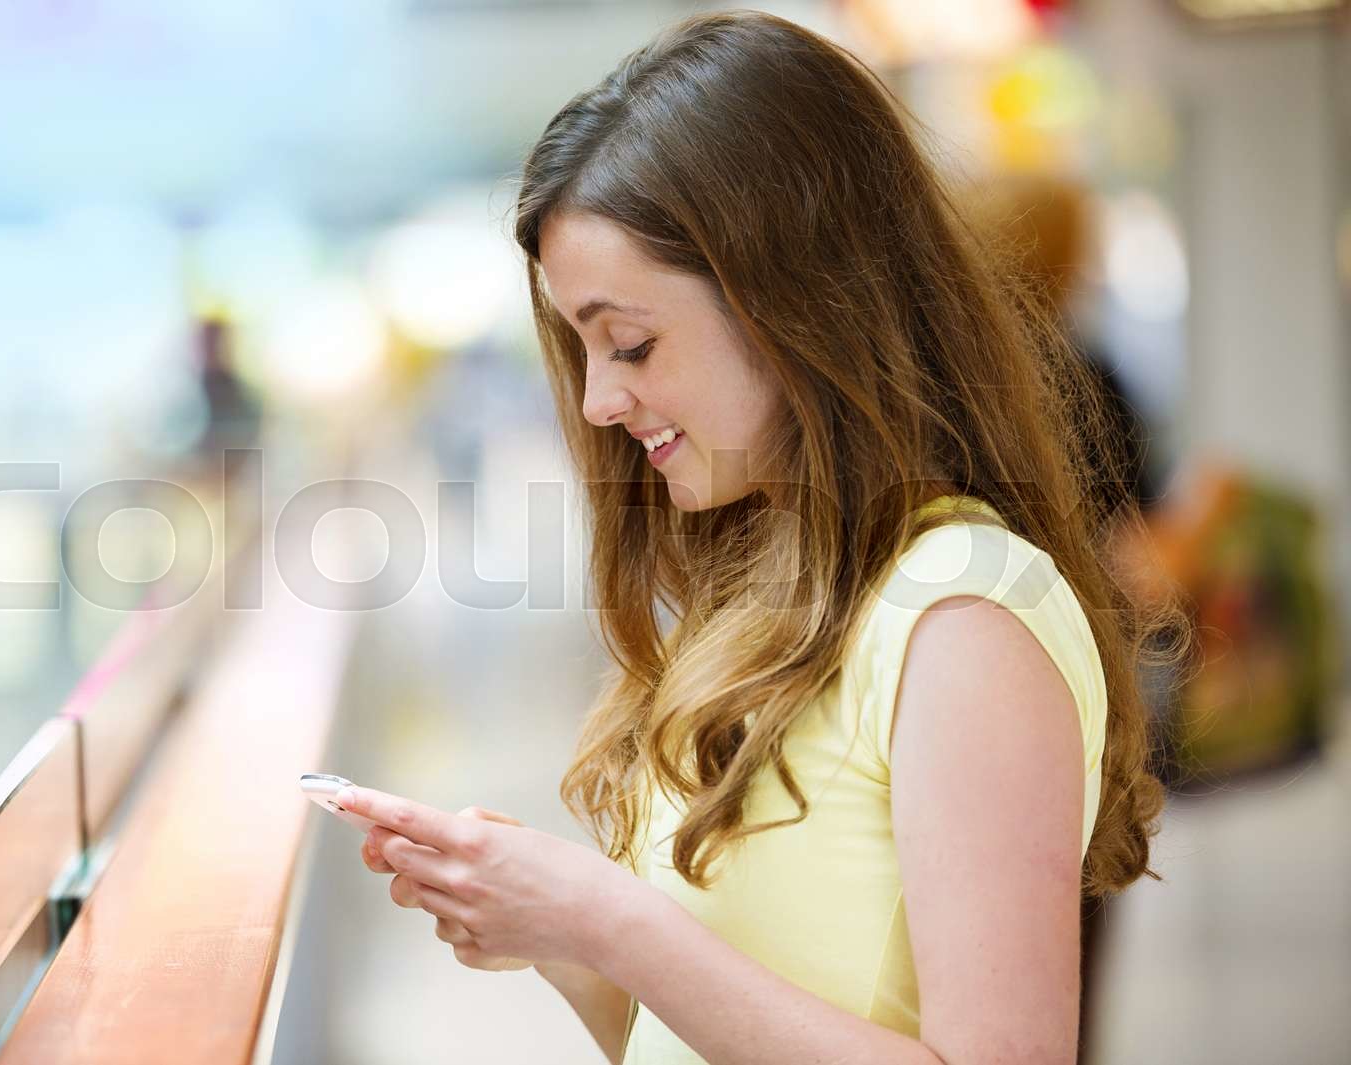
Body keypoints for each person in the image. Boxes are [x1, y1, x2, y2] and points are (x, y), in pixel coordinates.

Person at [337, 12, 1182, 1065]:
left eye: (631, 343)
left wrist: (610, 920)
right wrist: (556, 937)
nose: (600, 399)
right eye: (582, 351)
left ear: (793, 300)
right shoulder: (766, 587)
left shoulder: (963, 615)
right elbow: (689, 1035)